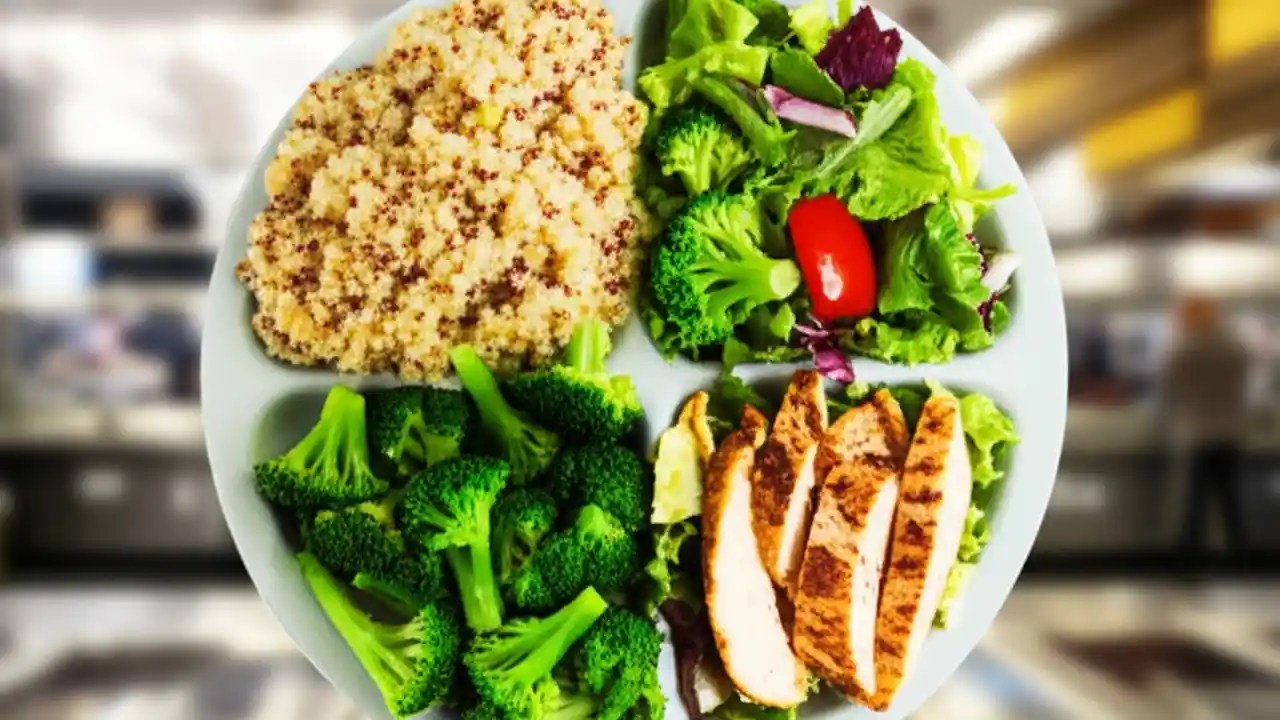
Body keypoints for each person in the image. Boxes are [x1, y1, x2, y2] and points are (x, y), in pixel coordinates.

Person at [1162, 294, 1250, 556]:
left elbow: (1170, 389)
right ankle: (1240, 554)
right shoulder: (1233, 346)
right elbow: (1242, 382)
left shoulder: (1182, 349)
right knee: (1230, 500)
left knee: (1195, 502)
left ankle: (1189, 556)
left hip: (1197, 434)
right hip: (1230, 433)